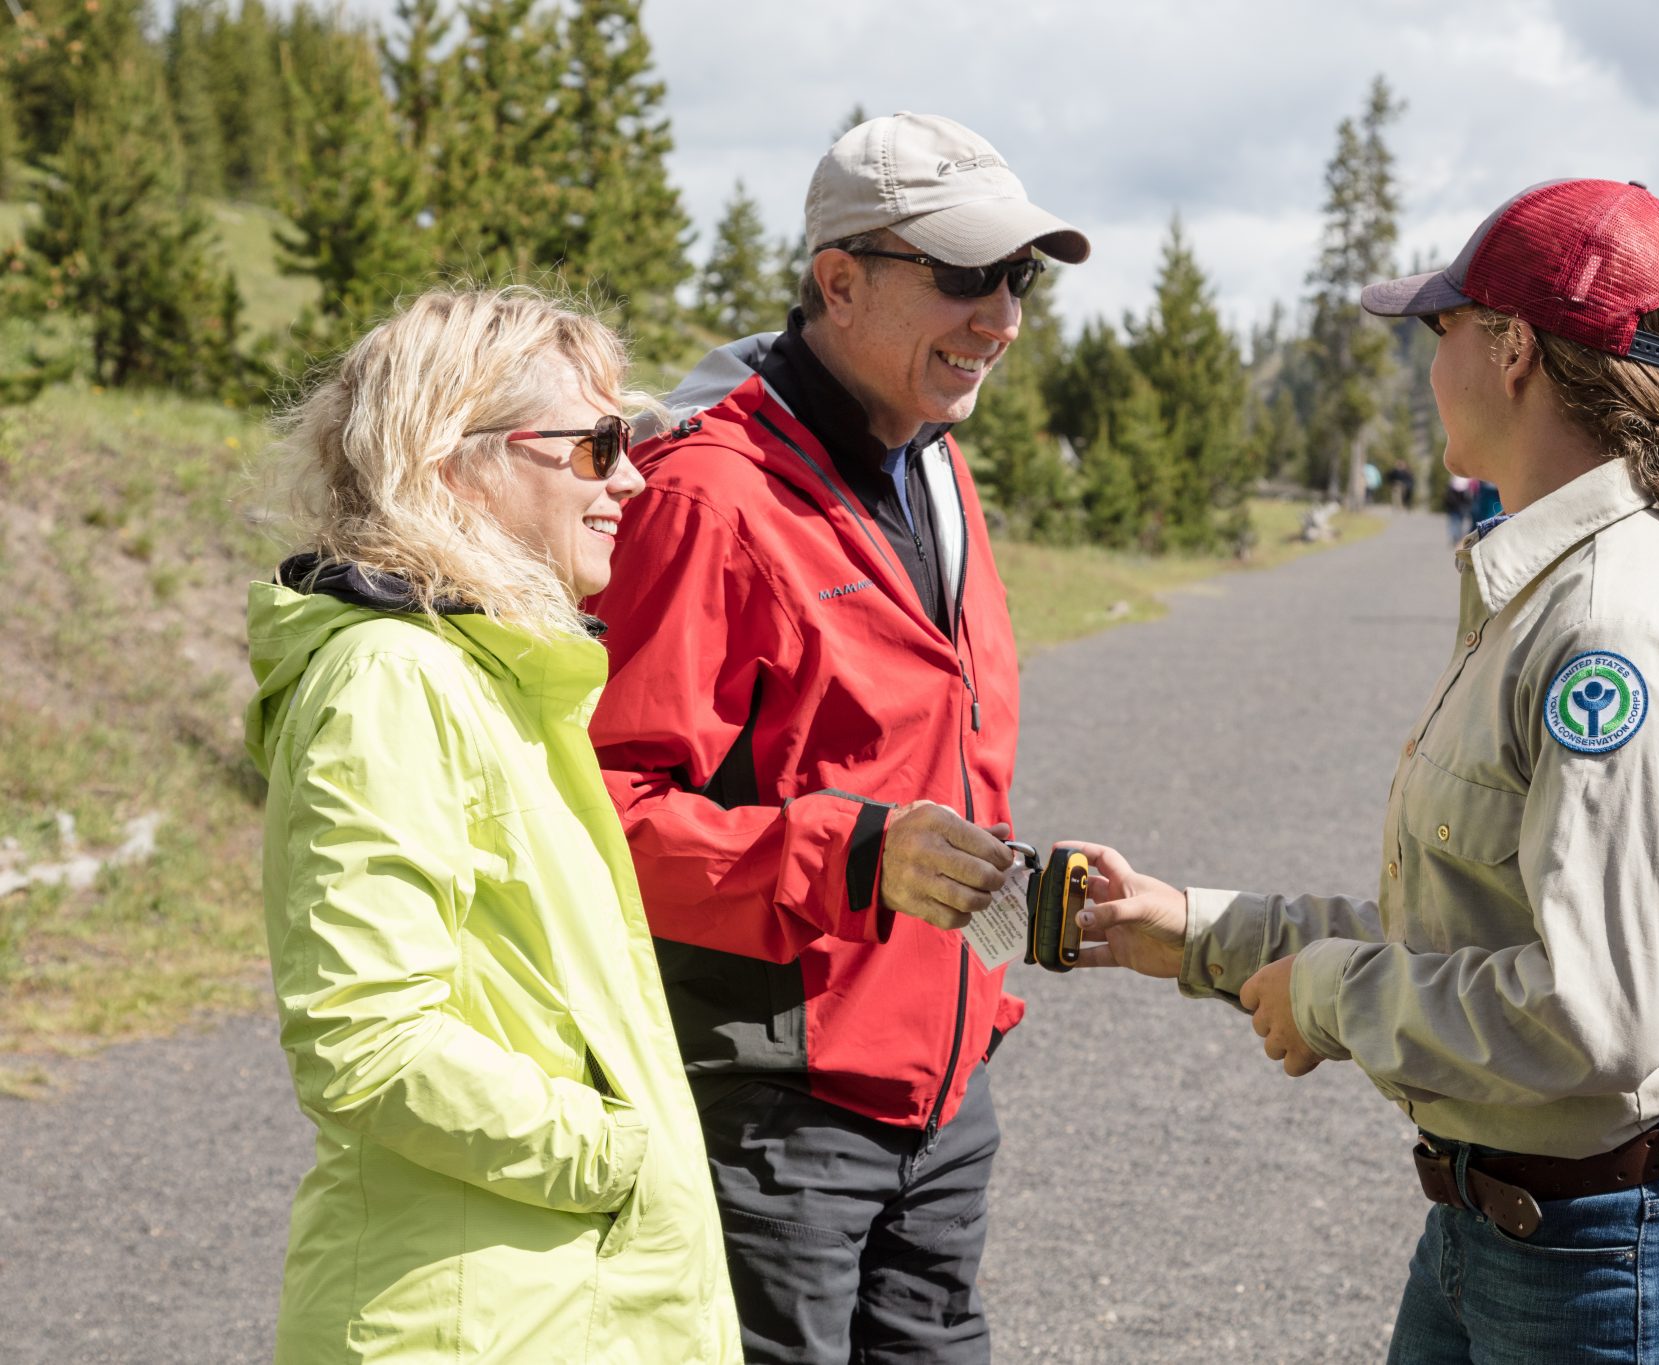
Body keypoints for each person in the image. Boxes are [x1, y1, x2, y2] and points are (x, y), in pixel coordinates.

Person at [1072, 180, 1659, 1363]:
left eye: (1439, 331)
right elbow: (1467, 931)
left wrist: (1326, 995)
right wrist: (1195, 932)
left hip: (1614, 1270)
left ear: (1510, 349)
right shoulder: (1541, 592)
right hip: (1506, 1232)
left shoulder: (1608, 628)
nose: (1428, 368)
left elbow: (1592, 1014)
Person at [585, 112, 1090, 1363]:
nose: (1000, 318)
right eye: (964, 274)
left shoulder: (935, 466)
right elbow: (607, 818)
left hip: (945, 1091)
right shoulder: (706, 497)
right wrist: (857, 857)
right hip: (777, 1113)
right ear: (839, 281)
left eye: (1017, 278)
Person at [244, 288, 740, 1362]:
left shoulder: (488, 673)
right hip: (474, 1324)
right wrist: (615, 1154)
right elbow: (367, 1039)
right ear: (453, 462)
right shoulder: (392, 679)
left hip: (541, 1305)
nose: (630, 478)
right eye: (596, 444)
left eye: (629, 441)